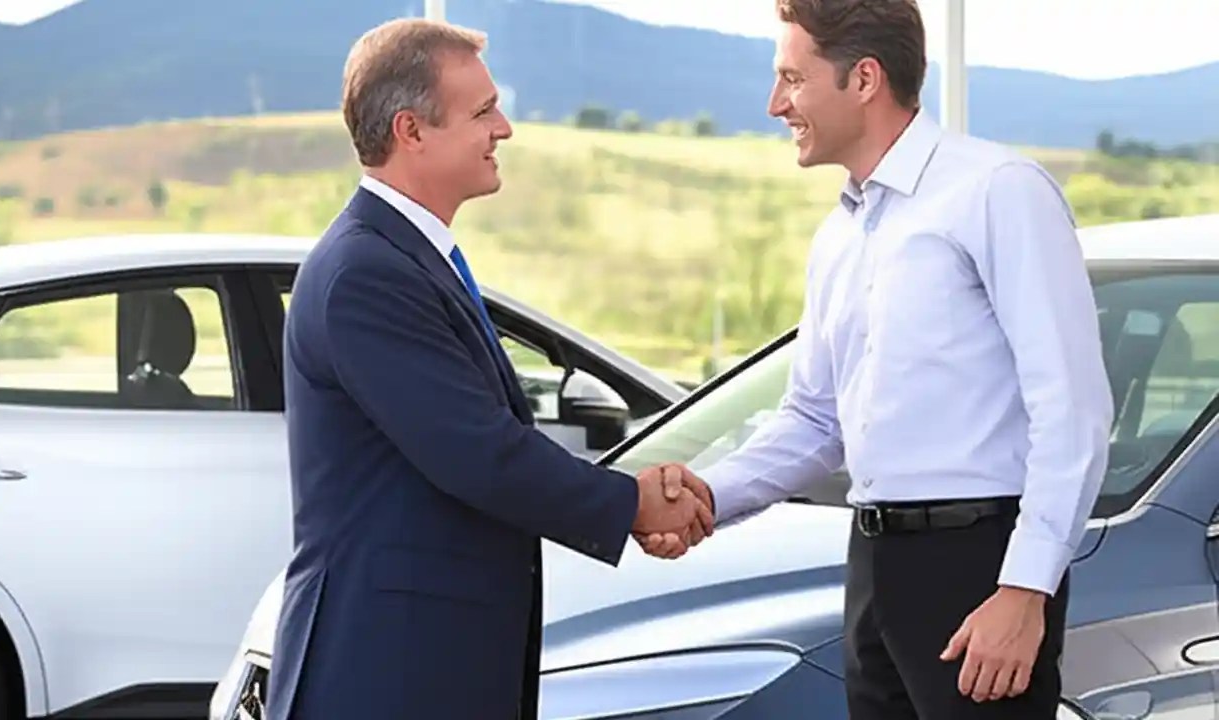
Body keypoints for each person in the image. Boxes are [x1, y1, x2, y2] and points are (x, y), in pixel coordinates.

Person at [638, 1, 1114, 718]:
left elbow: (1072, 410)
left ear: (864, 78)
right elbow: (812, 419)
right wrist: (707, 496)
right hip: (873, 570)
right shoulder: (841, 233)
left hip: (979, 570)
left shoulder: (998, 191)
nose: (776, 105)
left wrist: (1024, 590)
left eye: (792, 79)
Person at [265, 18, 712, 720]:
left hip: (421, 662)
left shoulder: (405, 257)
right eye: (482, 111)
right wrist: (630, 505)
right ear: (411, 130)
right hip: (386, 671)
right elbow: (477, 452)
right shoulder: (366, 273)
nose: (503, 128)